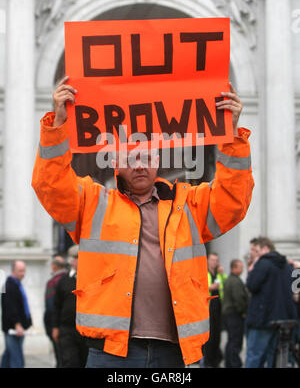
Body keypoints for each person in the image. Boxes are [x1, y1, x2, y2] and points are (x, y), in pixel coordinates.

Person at [31, 76, 254, 368]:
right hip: (111, 353)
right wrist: (58, 124)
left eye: (146, 156)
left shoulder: (189, 205)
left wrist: (232, 133)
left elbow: (233, 198)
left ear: (157, 161)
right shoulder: (93, 203)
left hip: (177, 354)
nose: (139, 163)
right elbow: (51, 185)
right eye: (131, 156)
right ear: (114, 163)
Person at [245, 237, 298, 368]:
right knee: (273, 358)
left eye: (255, 250)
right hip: (281, 319)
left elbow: (251, 285)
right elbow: (295, 288)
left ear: (265, 249)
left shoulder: (263, 263)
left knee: (254, 356)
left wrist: (252, 268)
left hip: (262, 319)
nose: (253, 253)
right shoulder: (286, 266)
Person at [52, 245, 88, 367]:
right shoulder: (63, 280)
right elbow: (56, 305)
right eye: (77, 258)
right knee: (70, 361)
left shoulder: (89, 278)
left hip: (85, 330)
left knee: (85, 361)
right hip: (67, 329)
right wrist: (55, 327)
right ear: (71, 261)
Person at [1, 260, 32, 368]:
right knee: (17, 359)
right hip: (13, 328)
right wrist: (17, 324)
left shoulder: (16, 284)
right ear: (13, 271)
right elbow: (10, 307)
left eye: (24, 271)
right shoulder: (9, 285)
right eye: (20, 271)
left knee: (9, 355)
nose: (23, 273)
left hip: (18, 327)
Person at [222, 259, 249, 368]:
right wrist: (243, 311)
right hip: (234, 314)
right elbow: (238, 298)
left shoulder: (230, 279)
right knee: (235, 340)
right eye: (240, 267)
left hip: (229, 314)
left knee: (231, 339)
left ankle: (229, 363)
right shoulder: (235, 281)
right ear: (234, 268)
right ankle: (234, 364)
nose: (242, 269)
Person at [202, 252, 227, 367]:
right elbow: (200, 287)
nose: (215, 262)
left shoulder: (218, 274)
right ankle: (207, 360)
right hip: (208, 307)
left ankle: (215, 360)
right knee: (209, 335)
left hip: (218, 306)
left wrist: (222, 274)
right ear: (208, 260)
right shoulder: (204, 272)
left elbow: (226, 284)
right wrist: (210, 287)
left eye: (216, 260)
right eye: (212, 260)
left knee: (217, 335)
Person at [44, 255, 67, 367]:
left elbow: (51, 307)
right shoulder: (69, 278)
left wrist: (53, 326)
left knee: (60, 357)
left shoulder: (54, 282)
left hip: (57, 326)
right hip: (67, 326)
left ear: (54, 266)